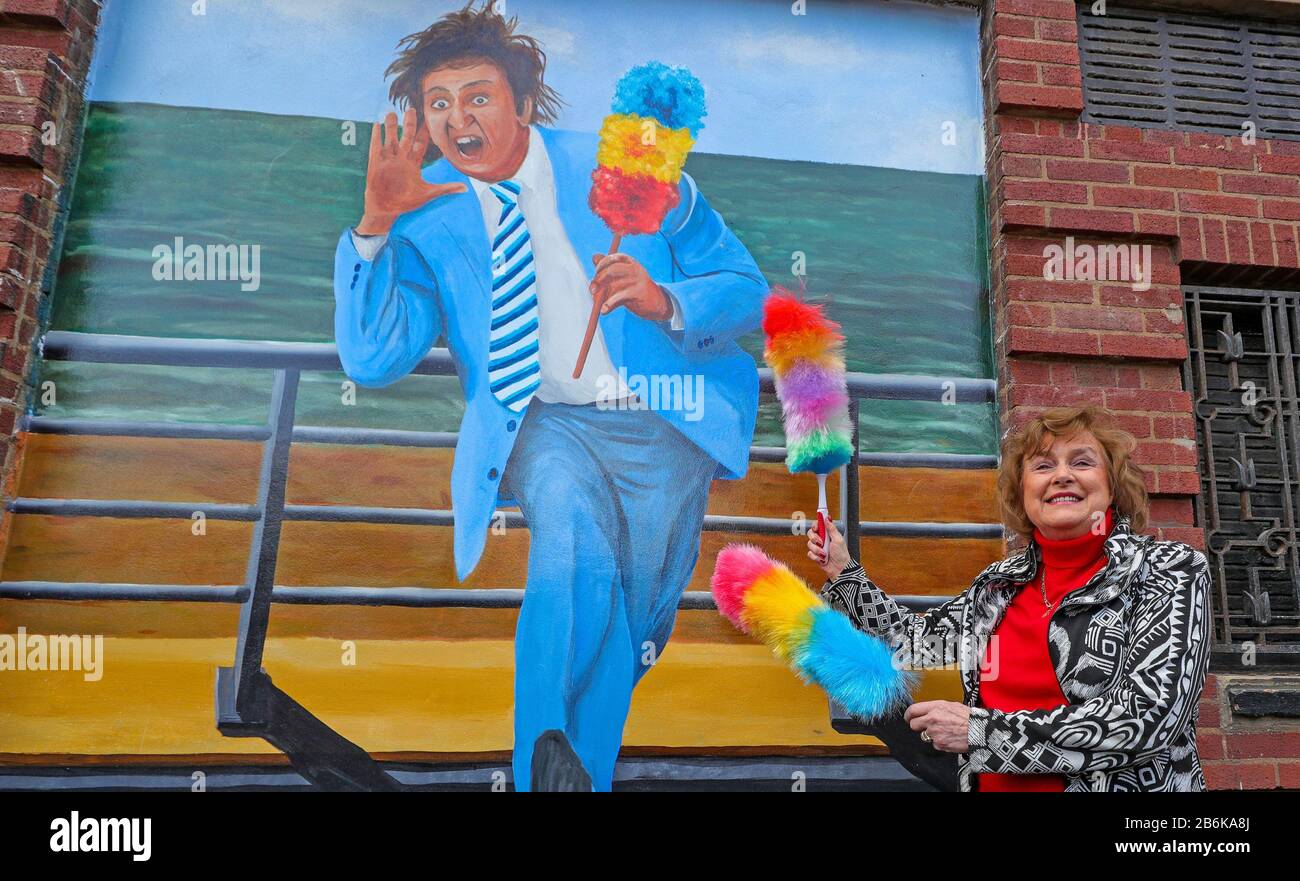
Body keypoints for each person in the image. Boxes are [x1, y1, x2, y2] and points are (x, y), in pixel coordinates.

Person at [333, 2, 766, 791]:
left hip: (663, 426)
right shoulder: (429, 220)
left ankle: (579, 776)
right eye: (438, 103)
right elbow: (372, 358)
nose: (457, 119)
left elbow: (746, 292)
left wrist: (665, 297)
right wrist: (374, 226)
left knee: (634, 628)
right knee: (570, 550)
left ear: (524, 102)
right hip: (546, 427)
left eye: (477, 96)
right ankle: (540, 750)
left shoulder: (637, 174)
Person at [807, 404, 1212, 792]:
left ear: (1113, 486)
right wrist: (844, 571)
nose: (1063, 476)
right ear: (1023, 493)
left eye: (1083, 462)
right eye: (1043, 466)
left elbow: (1149, 717)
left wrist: (979, 730)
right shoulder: (999, 585)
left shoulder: (1168, 570)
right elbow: (914, 642)